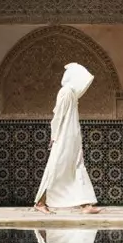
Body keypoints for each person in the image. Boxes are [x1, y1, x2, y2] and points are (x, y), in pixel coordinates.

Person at [33, 62, 102, 214]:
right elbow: (58, 115)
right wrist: (54, 136)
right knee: (56, 167)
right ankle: (41, 202)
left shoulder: (71, 93)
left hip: (72, 137)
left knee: (77, 167)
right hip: (63, 137)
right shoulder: (65, 92)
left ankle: (85, 205)